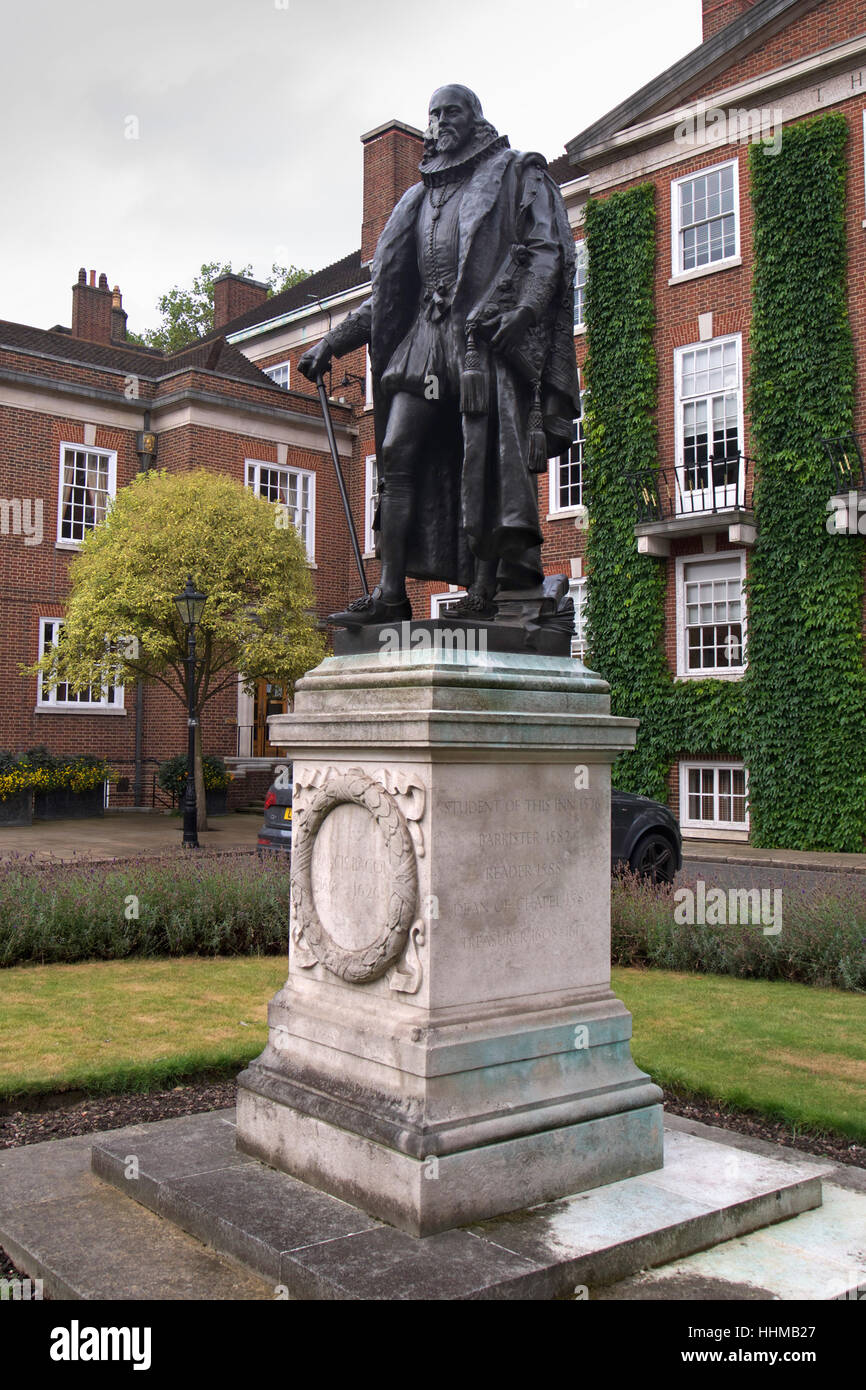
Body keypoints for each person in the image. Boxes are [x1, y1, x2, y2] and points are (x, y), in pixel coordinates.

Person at [298, 84, 579, 626]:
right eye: (433, 114)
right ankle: (390, 593)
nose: (439, 122)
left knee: (480, 458)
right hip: (424, 344)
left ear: (474, 121)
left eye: (451, 112)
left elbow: (547, 252)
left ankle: (483, 588)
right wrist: (331, 342)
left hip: (480, 346)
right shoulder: (416, 199)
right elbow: (386, 298)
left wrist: (521, 313)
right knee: (398, 452)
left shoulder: (517, 173)